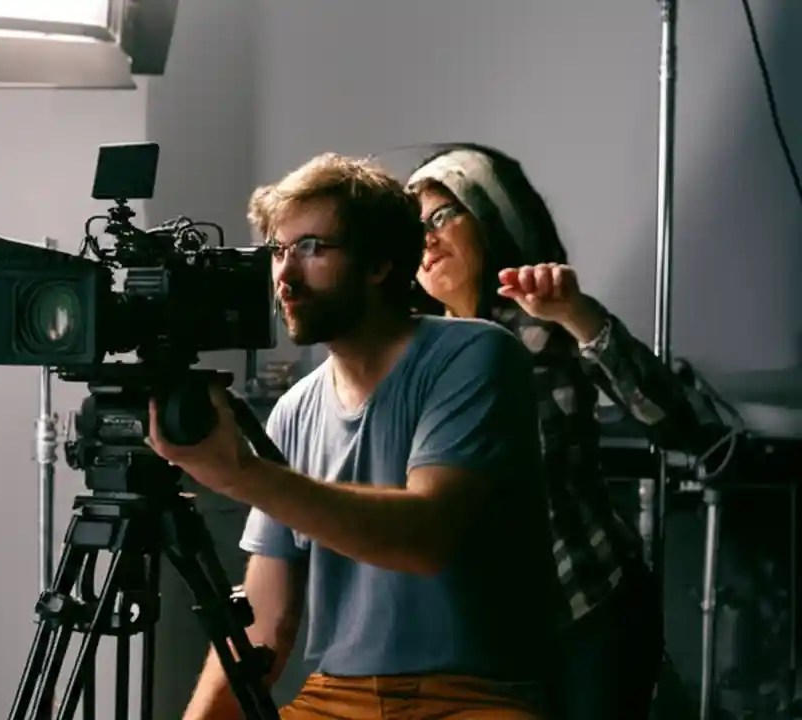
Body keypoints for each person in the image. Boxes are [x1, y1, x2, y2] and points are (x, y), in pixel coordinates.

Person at [149, 152, 563, 719]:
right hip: (335, 698)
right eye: (278, 250)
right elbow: (266, 623)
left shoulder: (476, 354)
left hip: (472, 698)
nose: (285, 276)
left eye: (312, 248)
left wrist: (242, 474)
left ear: (380, 263)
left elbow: (425, 537)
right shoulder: (293, 411)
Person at [405, 143, 709, 720]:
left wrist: (576, 314)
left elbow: (680, 425)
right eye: (415, 227)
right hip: (480, 629)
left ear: (490, 216)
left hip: (589, 606)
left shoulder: (543, 321)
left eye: (443, 215)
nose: (428, 238)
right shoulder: (412, 351)